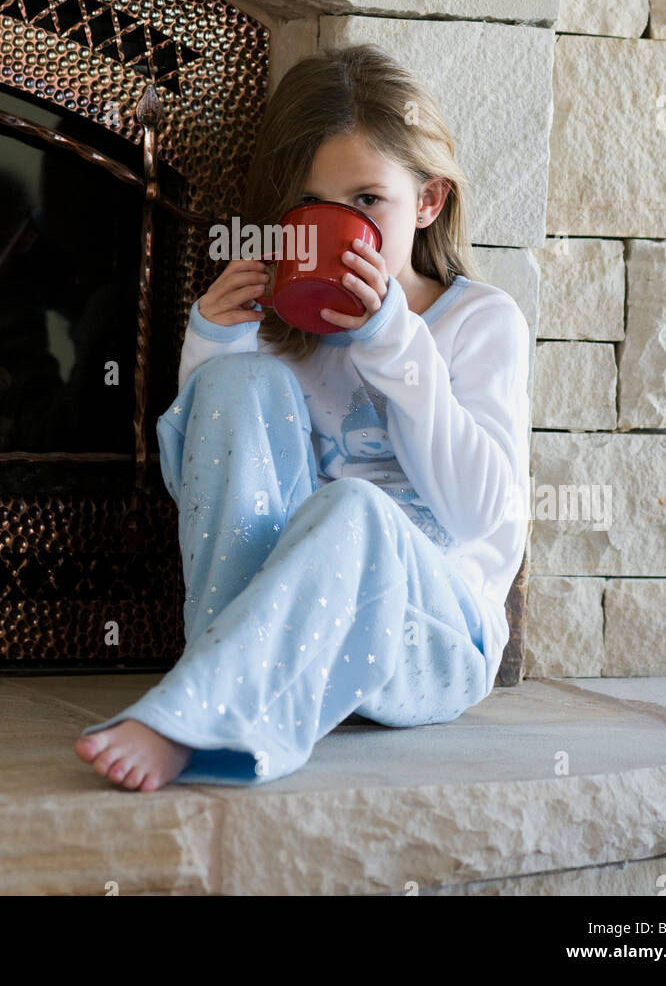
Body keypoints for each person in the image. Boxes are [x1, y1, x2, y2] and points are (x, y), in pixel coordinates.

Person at [74, 43, 531, 791]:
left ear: (427, 201)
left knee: (354, 506)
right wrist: (211, 347)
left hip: (434, 638)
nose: (340, 225)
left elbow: (481, 513)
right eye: (313, 209)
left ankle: (197, 718)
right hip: (299, 627)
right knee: (238, 384)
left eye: (366, 202)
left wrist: (390, 342)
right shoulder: (279, 333)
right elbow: (197, 494)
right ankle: (219, 681)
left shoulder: (479, 322)